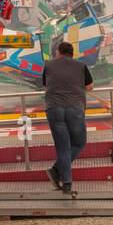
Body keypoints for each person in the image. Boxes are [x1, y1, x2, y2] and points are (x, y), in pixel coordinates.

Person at [42, 41, 94, 195]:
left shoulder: (49, 65)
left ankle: (66, 181)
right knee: (79, 143)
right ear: (72, 54)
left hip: (54, 108)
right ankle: (56, 171)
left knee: (63, 147)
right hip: (75, 108)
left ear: (58, 52)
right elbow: (90, 86)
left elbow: (46, 85)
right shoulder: (81, 65)